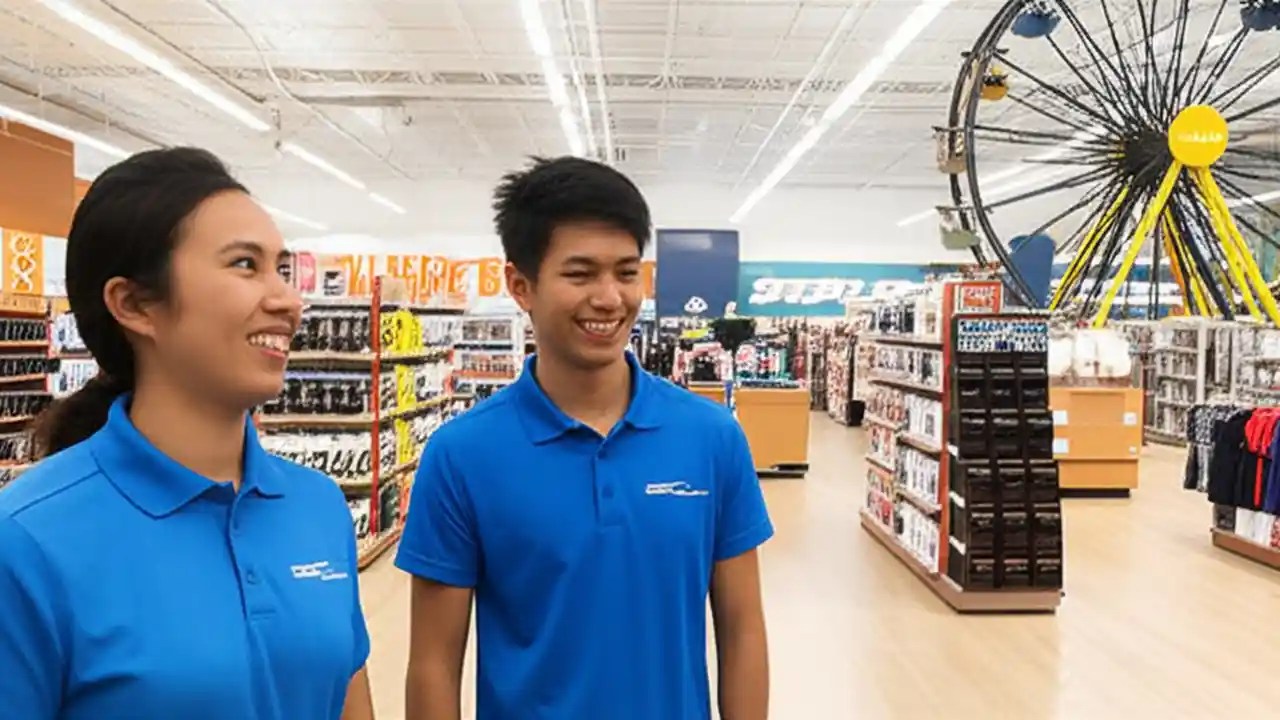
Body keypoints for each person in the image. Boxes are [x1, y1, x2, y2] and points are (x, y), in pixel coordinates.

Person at [0, 147, 374, 720]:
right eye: (245, 265)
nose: (288, 300)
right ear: (134, 304)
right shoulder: (26, 540)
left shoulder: (317, 505)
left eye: (282, 267)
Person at [397, 156, 773, 720]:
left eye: (626, 272)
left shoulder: (712, 438)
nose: (609, 298)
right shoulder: (460, 456)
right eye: (580, 274)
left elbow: (742, 627)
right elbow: (432, 663)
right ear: (521, 285)